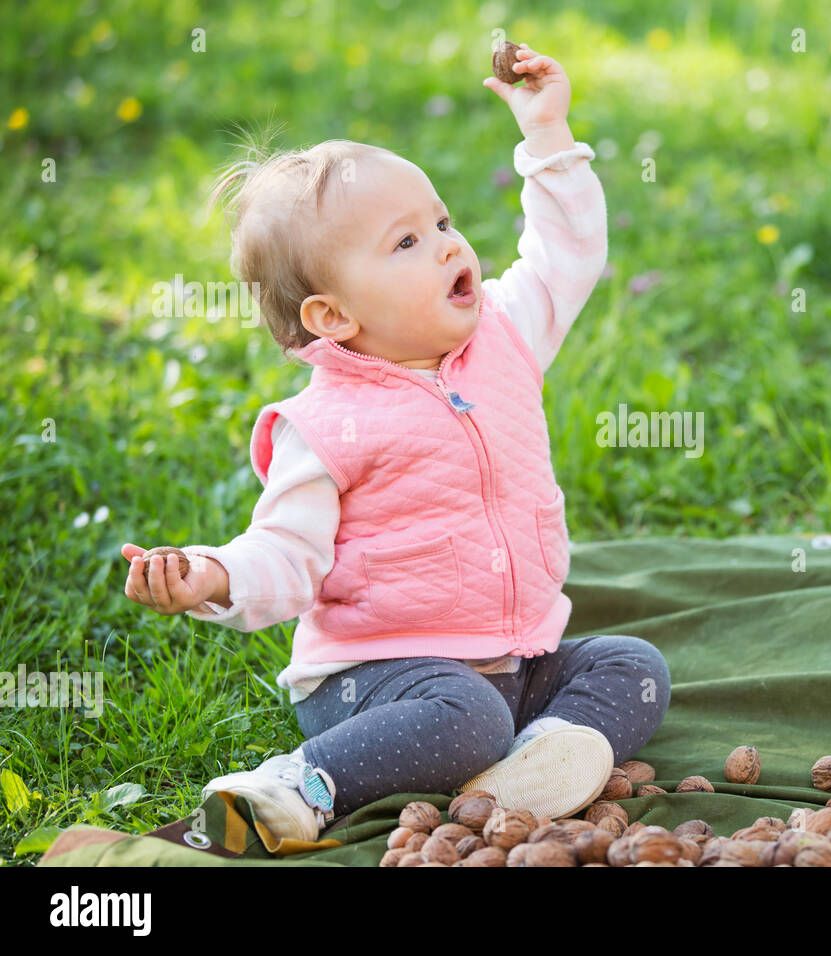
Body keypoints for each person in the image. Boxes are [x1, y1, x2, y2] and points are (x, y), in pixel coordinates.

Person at [121, 42, 670, 846]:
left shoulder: (504, 338)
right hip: (380, 679)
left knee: (633, 666)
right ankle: (294, 785)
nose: (450, 245)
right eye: (407, 243)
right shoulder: (325, 425)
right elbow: (285, 551)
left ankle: (536, 759)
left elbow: (566, 253)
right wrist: (212, 574)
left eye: (442, 222)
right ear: (333, 317)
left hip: (514, 659)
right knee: (466, 714)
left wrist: (547, 136)